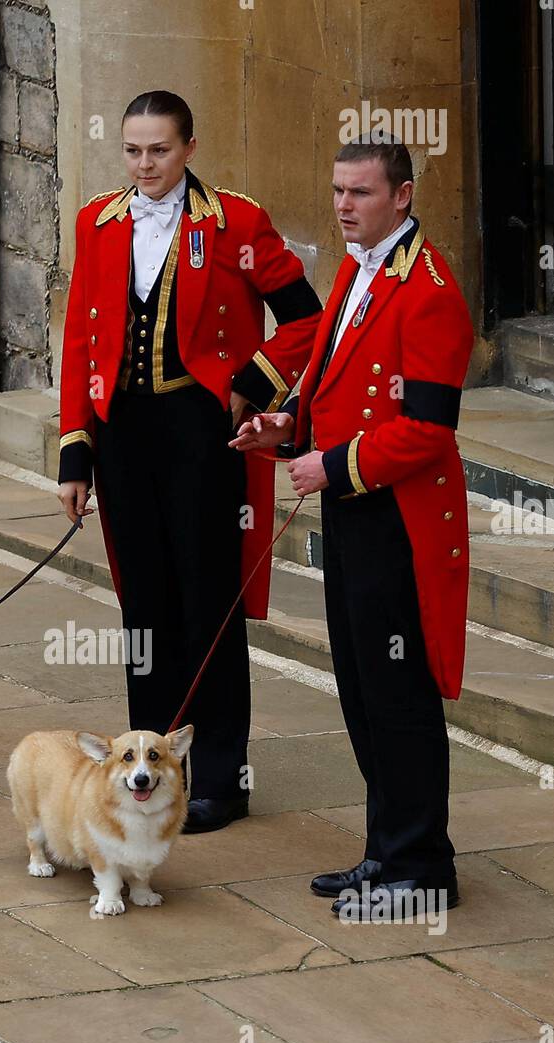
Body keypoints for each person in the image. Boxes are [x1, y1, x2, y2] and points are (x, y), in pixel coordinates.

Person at [57, 90, 322, 833]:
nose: (145, 165)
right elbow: (80, 340)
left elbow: (305, 317)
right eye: (133, 150)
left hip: (203, 437)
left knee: (209, 608)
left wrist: (250, 386)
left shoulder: (235, 221)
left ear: (189, 149)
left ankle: (222, 781)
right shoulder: (96, 222)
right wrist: (74, 453)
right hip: (124, 439)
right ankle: (150, 773)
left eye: (160, 150)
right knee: (144, 606)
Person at [233, 137, 474, 918]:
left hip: (398, 521)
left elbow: (428, 428)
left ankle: (421, 868)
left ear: (401, 197)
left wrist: (332, 466)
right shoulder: (354, 269)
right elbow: (332, 387)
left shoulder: (429, 290)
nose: (342, 206)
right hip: (354, 511)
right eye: (337, 190)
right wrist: (283, 427)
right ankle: (384, 851)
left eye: (360, 193)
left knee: (398, 691)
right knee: (362, 688)